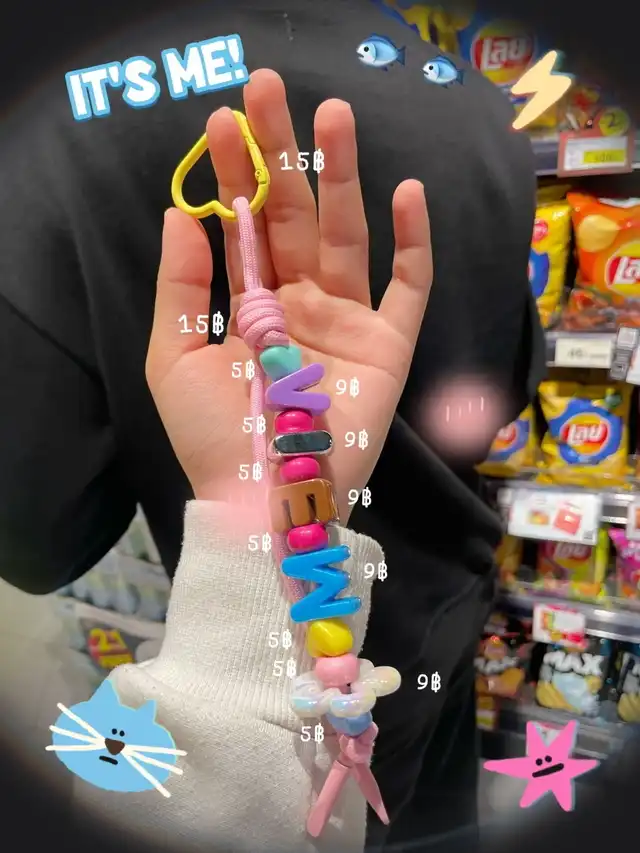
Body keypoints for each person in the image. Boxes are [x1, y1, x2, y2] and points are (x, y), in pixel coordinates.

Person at [0, 0, 544, 849]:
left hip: (272, 661)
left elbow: (35, 535)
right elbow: (503, 395)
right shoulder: (486, 107)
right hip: (435, 623)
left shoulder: (61, 124)